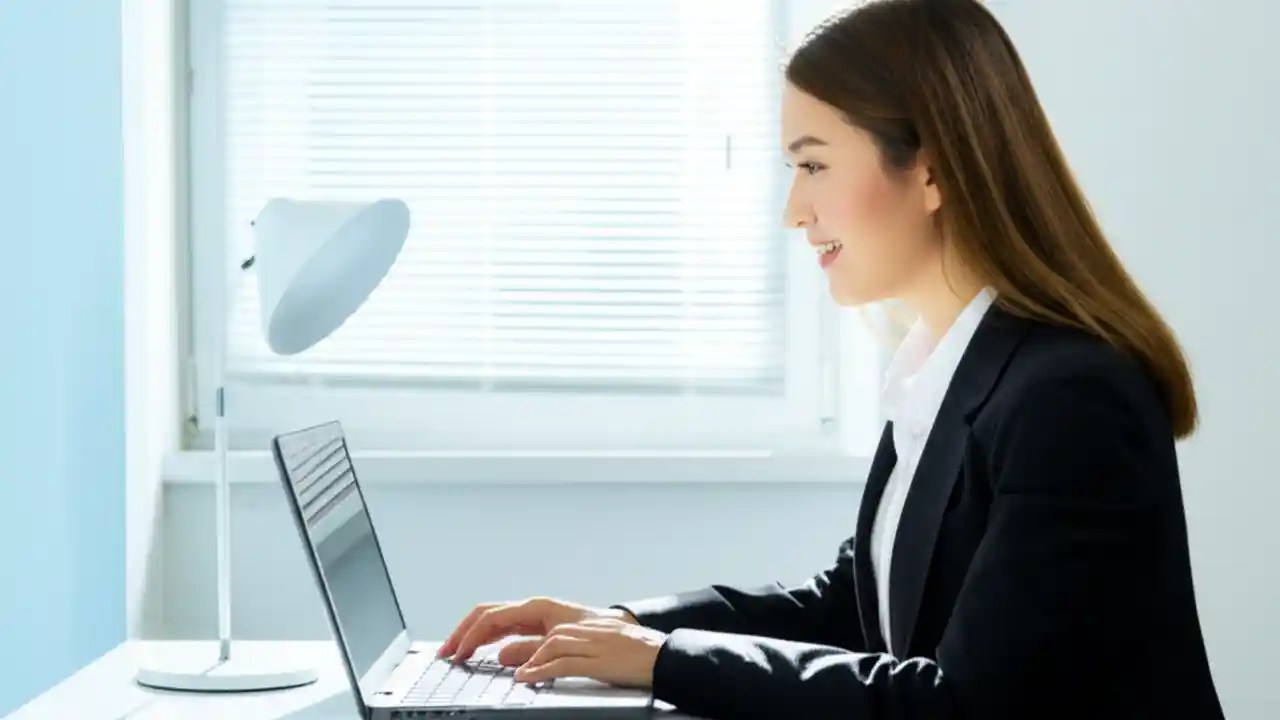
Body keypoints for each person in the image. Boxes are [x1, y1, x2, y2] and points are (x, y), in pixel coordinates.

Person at [436, 1, 1225, 717]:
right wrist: (626, 626)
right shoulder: (946, 371)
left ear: (931, 167)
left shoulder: (1069, 398)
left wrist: (664, 663)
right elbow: (854, 605)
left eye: (813, 164)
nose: (793, 211)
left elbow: (966, 703)